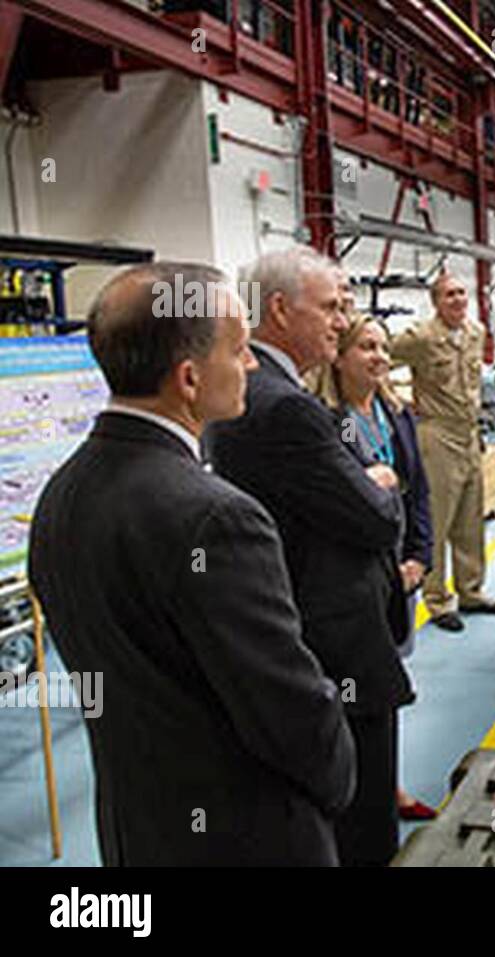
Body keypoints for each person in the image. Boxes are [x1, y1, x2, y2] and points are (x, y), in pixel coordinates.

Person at [29, 263, 356, 866]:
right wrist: (339, 784)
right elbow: (290, 715)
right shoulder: (218, 521)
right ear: (188, 377)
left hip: (139, 831)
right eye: (238, 351)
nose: (252, 365)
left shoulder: (62, 496)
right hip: (244, 839)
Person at [206, 247, 413, 867]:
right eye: (330, 306)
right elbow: (373, 521)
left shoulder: (252, 395)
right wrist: (381, 485)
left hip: (298, 635)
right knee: (364, 820)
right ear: (279, 310)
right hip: (336, 643)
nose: (340, 318)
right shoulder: (289, 407)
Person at [314, 314, 439, 822]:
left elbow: (418, 489)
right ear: (339, 356)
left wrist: (420, 557)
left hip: (400, 571)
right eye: (367, 347)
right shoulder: (331, 421)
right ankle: (362, 789)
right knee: (361, 690)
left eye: (384, 347)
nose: (381, 357)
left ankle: (384, 781)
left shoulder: (395, 412)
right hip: (361, 579)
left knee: (387, 679)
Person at [389, 272, 495, 632]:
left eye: (461, 293)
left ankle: (470, 591)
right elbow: (379, 357)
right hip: (437, 435)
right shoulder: (421, 337)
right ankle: (437, 600)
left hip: (469, 433)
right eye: (449, 295)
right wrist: (392, 399)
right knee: (438, 519)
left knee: (470, 518)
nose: (457, 300)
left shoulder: (475, 333)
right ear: (435, 302)